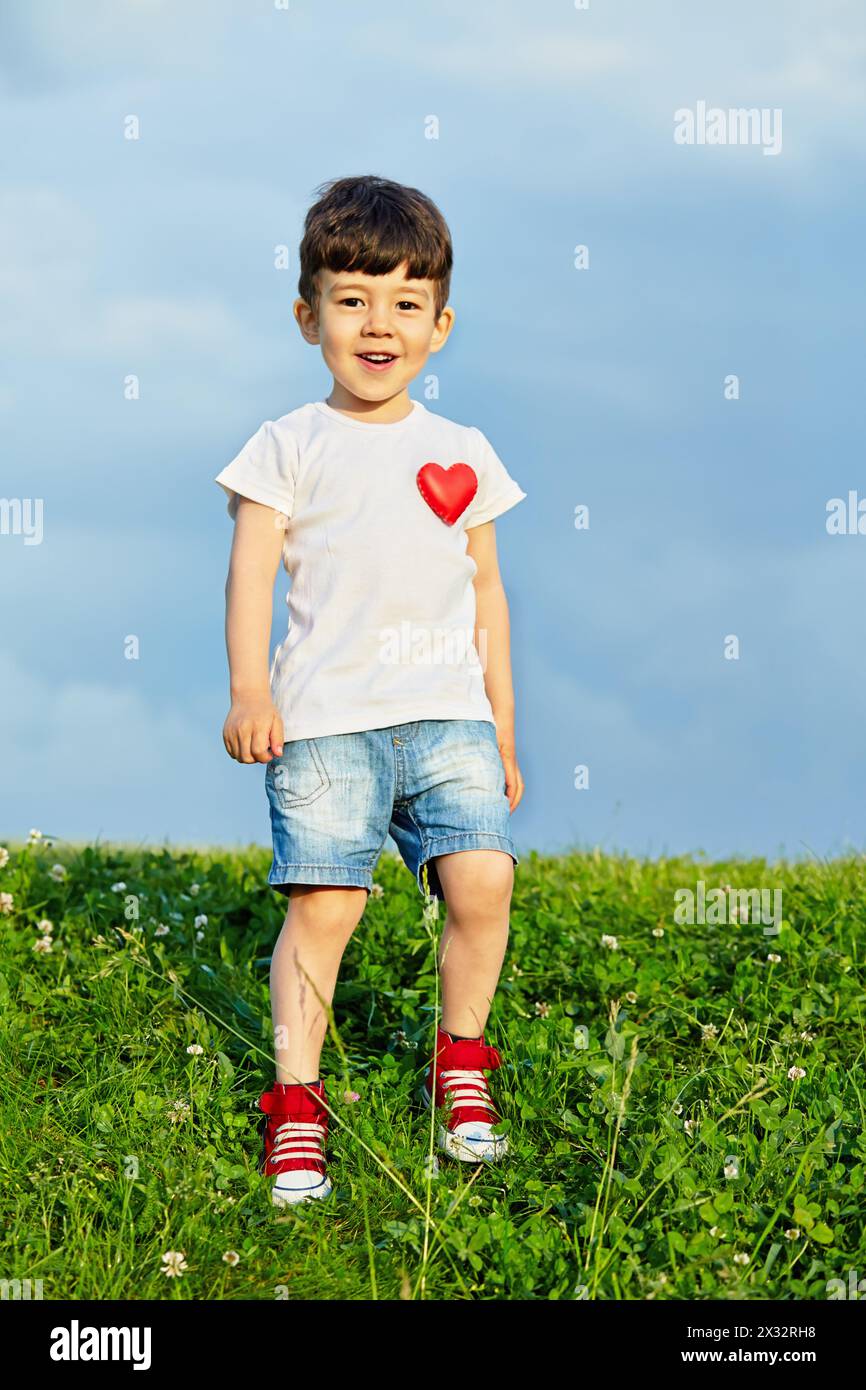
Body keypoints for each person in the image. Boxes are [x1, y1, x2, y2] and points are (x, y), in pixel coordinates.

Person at [214, 174, 527, 1207]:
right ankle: (296, 1103)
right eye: (350, 299)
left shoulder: (461, 454)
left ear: (440, 324)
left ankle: (462, 1062)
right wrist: (251, 689)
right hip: (326, 723)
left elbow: (486, 592)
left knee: (482, 883)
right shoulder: (286, 445)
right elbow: (251, 572)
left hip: (448, 718)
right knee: (327, 902)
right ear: (307, 317)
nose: (377, 323)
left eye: (403, 302)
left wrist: (504, 732)